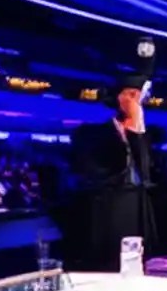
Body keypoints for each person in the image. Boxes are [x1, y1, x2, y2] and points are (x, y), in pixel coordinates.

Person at [65, 75, 156, 272]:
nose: (135, 102)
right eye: (130, 95)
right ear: (117, 98)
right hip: (109, 214)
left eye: (138, 97)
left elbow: (146, 172)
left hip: (136, 213)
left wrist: (136, 132)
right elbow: (93, 173)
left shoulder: (143, 135)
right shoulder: (91, 134)